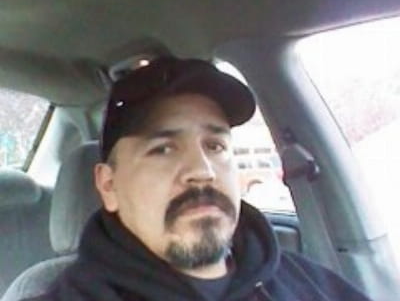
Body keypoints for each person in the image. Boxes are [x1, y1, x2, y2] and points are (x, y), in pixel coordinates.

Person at [25, 56, 372, 301]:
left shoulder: (310, 283)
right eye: (162, 149)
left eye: (215, 146)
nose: (203, 170)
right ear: (109, 186)